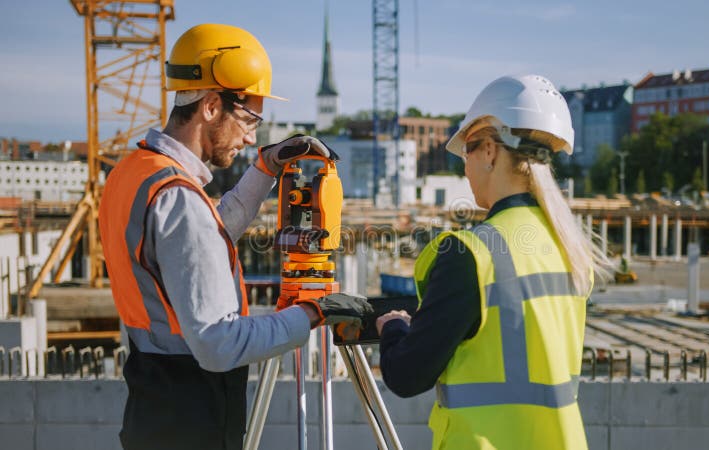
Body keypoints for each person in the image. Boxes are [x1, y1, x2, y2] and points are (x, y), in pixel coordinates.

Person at [98, 24, 371, 450]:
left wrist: (265, 168)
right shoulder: (178, 197)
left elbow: (202, 239)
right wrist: (313, 313)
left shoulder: (135, 173)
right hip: (192, 416)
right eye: (248, 120)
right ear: (211, 106)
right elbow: (218, 345)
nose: (250, 136)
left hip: (153, 400)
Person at [376, 74, 611, 449]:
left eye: (467, 152)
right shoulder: (569, 248)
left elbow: (406, 375)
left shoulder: (472, 254)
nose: (464, 169)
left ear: (489, 151)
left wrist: (393, 328)